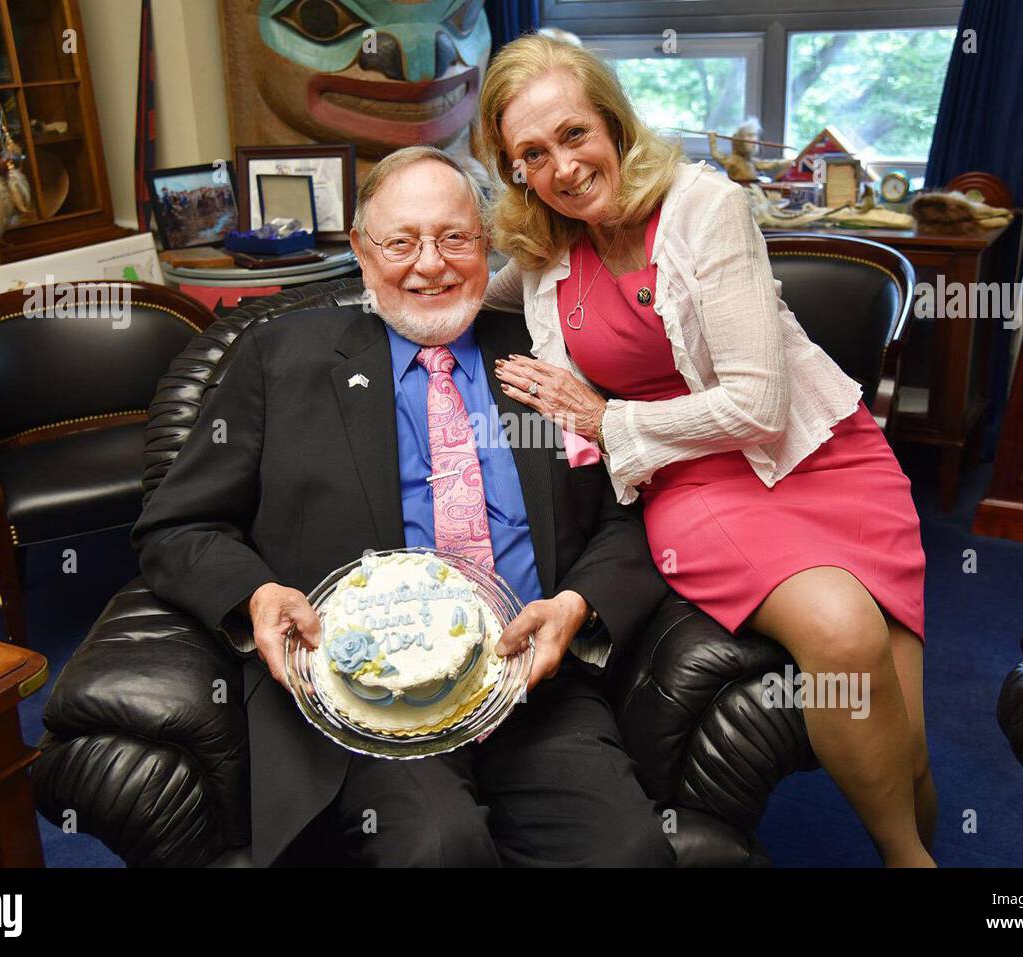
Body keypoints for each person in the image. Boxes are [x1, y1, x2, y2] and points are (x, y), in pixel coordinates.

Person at [132, 144, 674, 868]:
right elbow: (178, 524)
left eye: (455, 237)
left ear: (487, 245)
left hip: (529, 683)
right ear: (361, 251)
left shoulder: (548, 353)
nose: (431, 264)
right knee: (438, 848)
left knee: (631, 852)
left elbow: (628, 514)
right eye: (400, 241)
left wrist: (577, 604)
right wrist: (256, 594)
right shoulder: (278, 359)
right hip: (366, 699)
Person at [479, 33, 937, 867]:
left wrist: (609, 419)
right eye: (531, 155)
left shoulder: (702, 206)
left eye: (574, 134)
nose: (563, 168)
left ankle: (922, 839)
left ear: (613, 123)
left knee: (909, 738)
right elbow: (455, 278)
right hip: (694, 483)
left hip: (815, 450)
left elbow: (760, 406)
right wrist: (382, 273)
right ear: (515, 172)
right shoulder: (543, 247)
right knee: (841, 636)